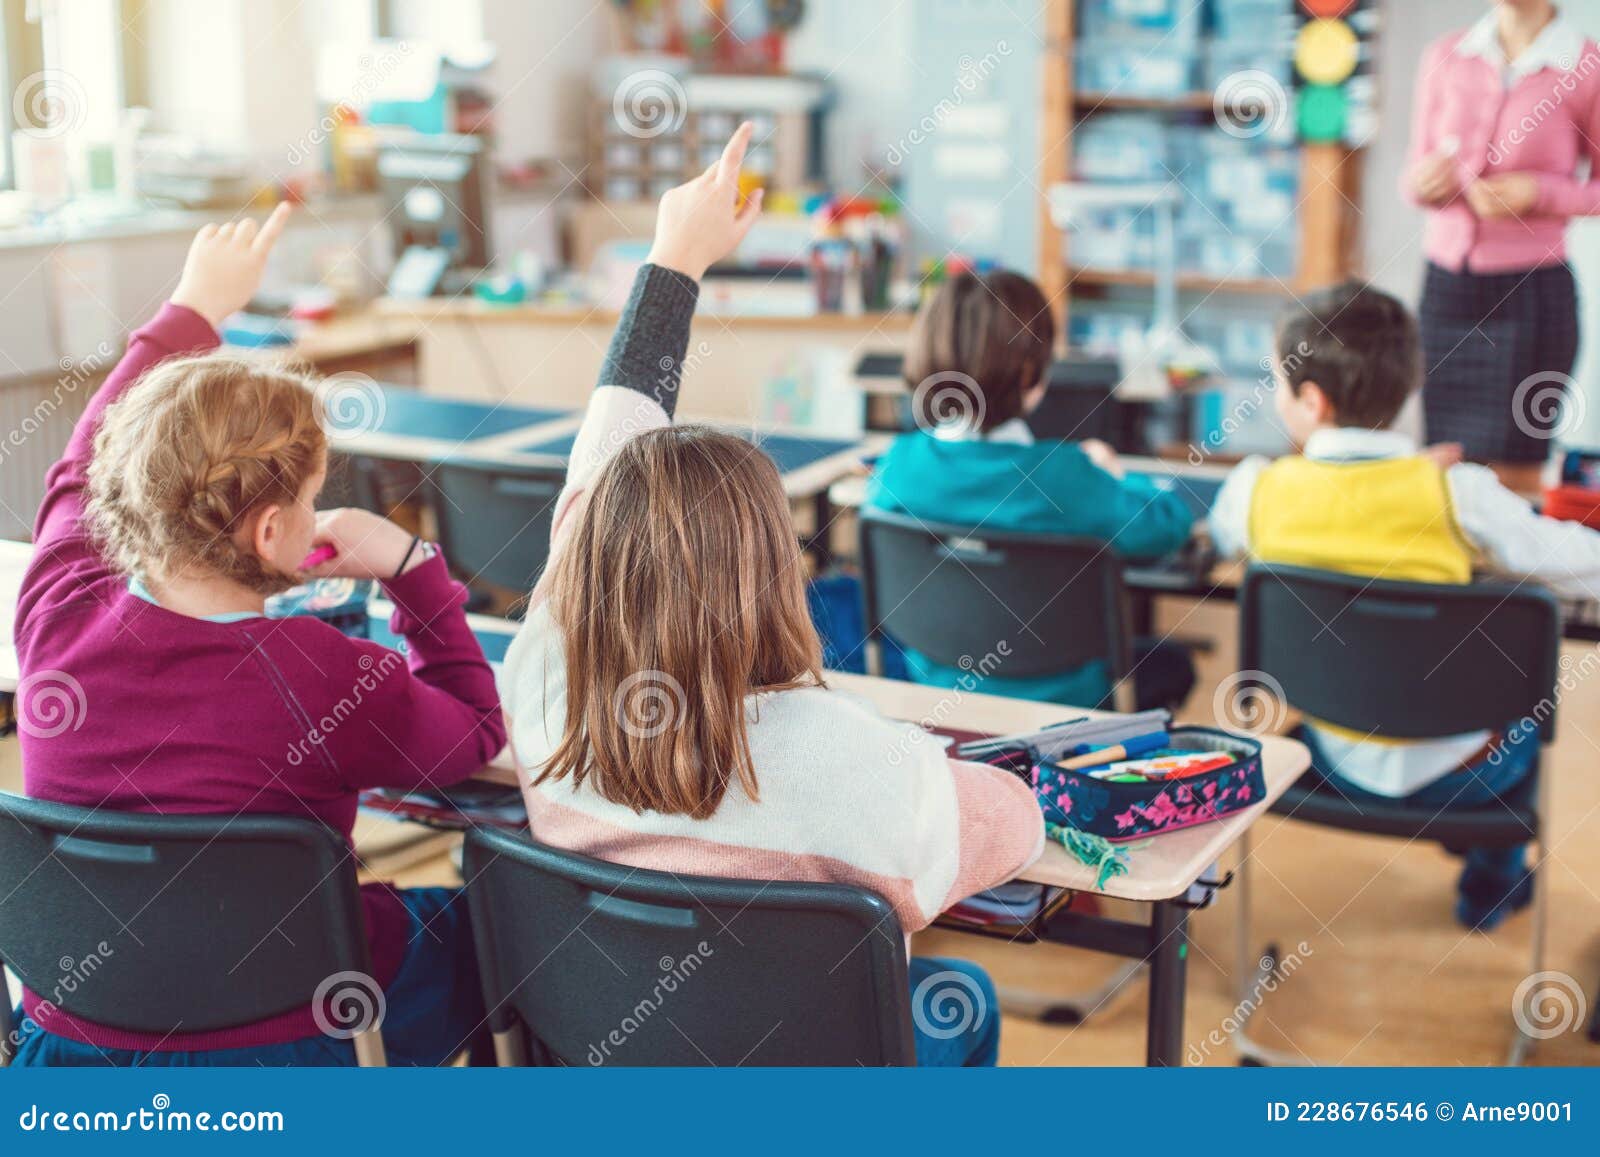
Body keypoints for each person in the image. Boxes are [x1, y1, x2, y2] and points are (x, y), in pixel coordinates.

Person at [499, 125, 1044, 1066]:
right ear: (771, 570)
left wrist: (674, 258)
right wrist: (919, 755)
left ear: (585, 550)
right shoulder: (852, 764)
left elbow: (602, 456)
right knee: (965, 997)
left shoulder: (541, 674)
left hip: (612, 1055)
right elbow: (1013, 824)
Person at [10, 205, 506, 1065]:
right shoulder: (330, 675)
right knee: (491, 925)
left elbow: (73, 472)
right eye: (315, 496)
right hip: (287, 1044)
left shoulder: (57, 611)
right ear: (275, 532)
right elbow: (477, 730)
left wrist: (190, 307)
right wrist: (413, 565)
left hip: (75, 1045)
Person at [1211, 282, 1600, 930]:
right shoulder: (1458, 493)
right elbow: (1580, 562)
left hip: (1330, 756)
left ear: (1311, 399)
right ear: (1410, 384)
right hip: (1464, 778)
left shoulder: (1255, 490)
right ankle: (1490, 888)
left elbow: (1210, 539)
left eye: (1276, 381)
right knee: (1525, 715)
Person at [866, 269, 1196, 711]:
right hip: (1065, 704)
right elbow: (1166, 526)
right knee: (1173, 664)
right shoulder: (1067, 475)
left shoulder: (898, 465)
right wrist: (1115, 475)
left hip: (936, 695)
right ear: (1028, 374)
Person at [1408, 0, 1600, 493]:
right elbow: (1412, 175)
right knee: (1444, 474)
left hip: (1532, 295)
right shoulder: (1445, 54)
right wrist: (1422, 185)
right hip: (1445, 291)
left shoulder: (1586, 66)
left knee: (1513, 479)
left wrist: (1540, 194)